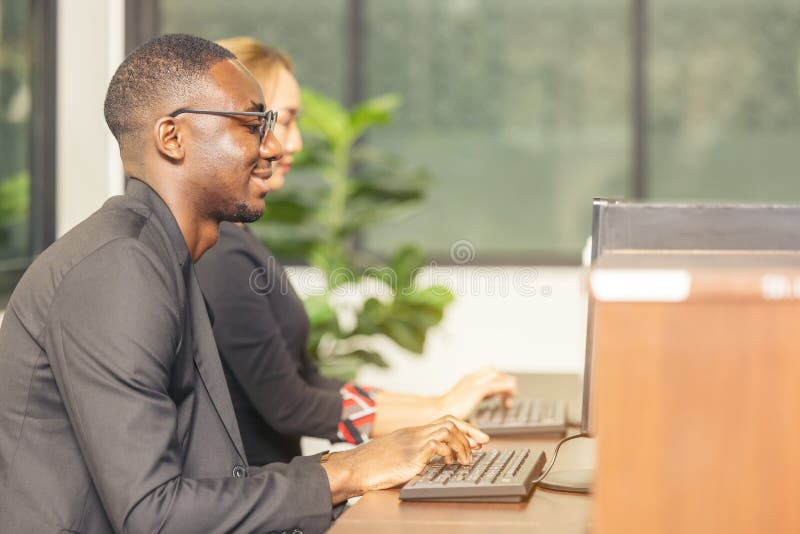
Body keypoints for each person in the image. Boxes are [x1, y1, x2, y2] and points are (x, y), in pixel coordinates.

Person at [0, 34, 488, 533]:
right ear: (173, 138)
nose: (275, 147)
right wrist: (347, 470)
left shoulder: (166, 257)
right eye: (254, 124)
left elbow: (209, 483)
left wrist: (359, 468)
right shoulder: (120, 268)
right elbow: (154, 514)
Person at [195, 36, 517, 467]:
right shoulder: (221, 255)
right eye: (285, 121)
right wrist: (432, 413)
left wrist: (437, 406)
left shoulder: (238, 239)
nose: (293, 144)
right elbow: (289, 405)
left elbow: (309, 382)